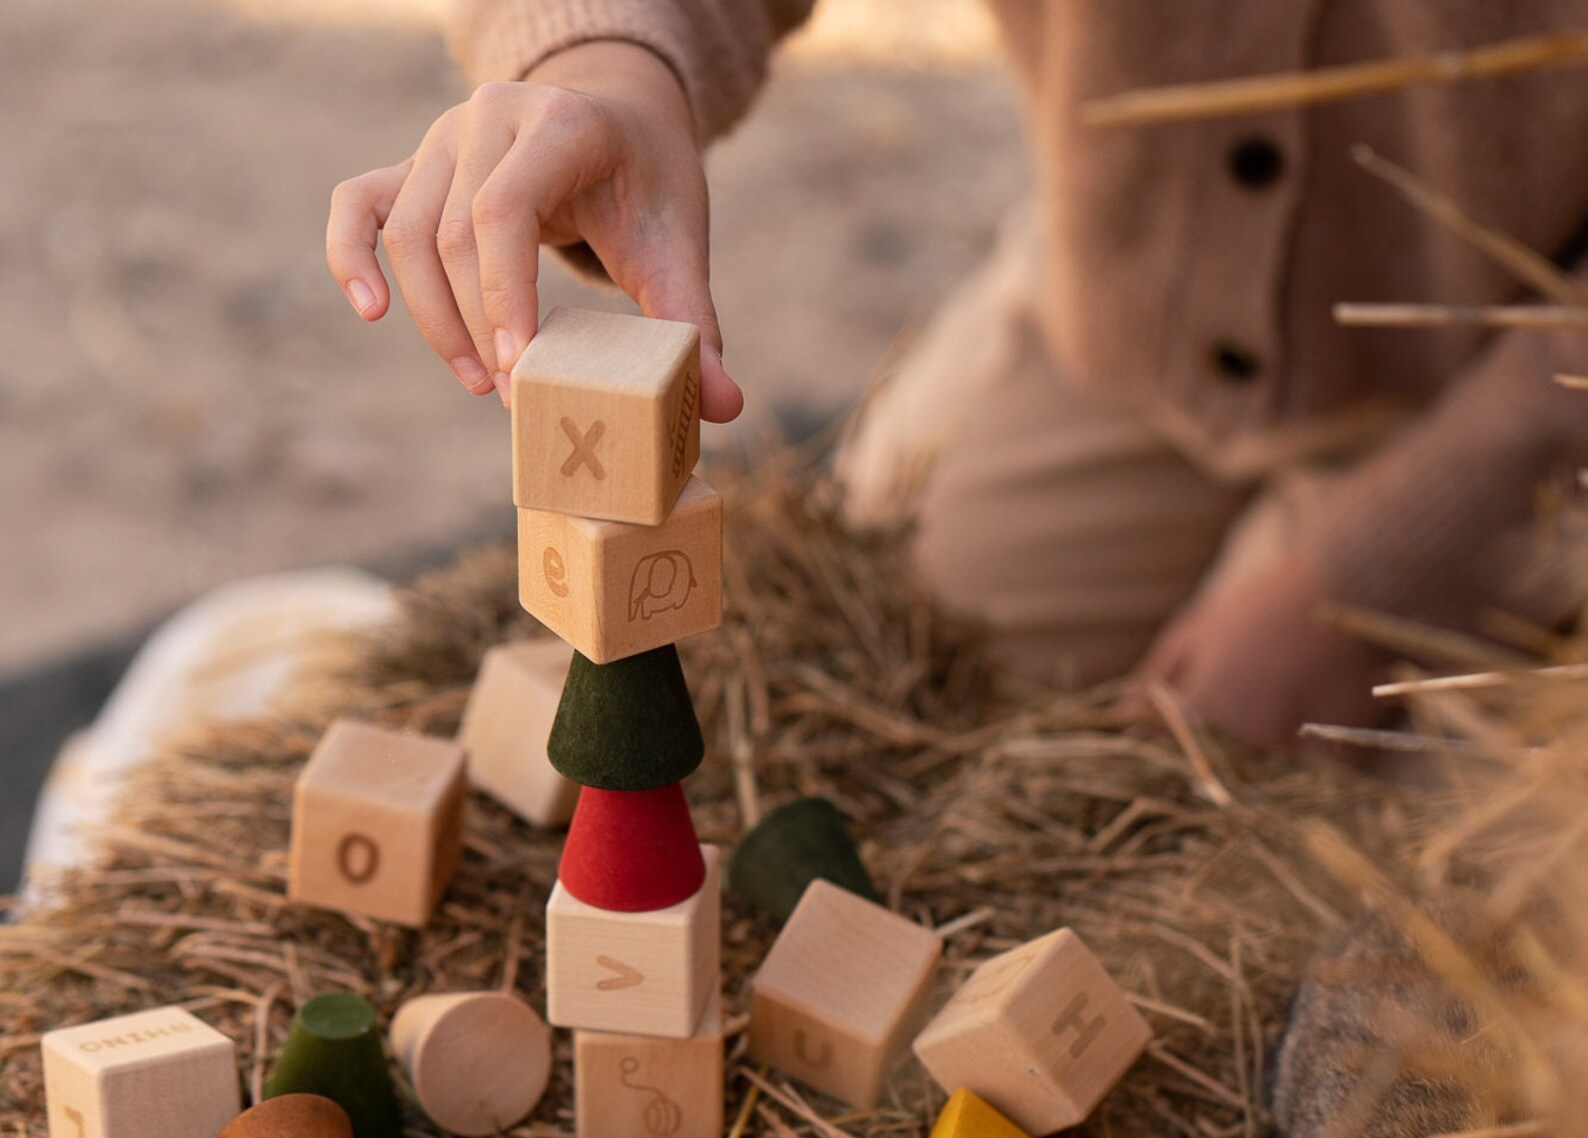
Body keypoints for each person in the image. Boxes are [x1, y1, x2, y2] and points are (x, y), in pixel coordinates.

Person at [327, 3, 1588, 748]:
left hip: (1527, 388)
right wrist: (603, 69)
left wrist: (1375, 570)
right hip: (1124, 301)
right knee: (889, 675)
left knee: (1288, 843)